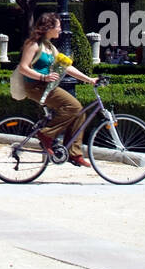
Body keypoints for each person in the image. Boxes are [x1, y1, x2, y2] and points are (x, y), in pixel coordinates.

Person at [18, 12, 99, 167]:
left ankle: (74, 153)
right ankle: (46, 135)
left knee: (79, 112)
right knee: (73, 106)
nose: (60, 29)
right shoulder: (33, 44)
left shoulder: (50, 47)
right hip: (36, 87)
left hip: (46, 86)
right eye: (58, 26)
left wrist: (89, 79)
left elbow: (66, 67)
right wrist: (43, 77)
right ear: (49, 27)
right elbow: (23, 68)